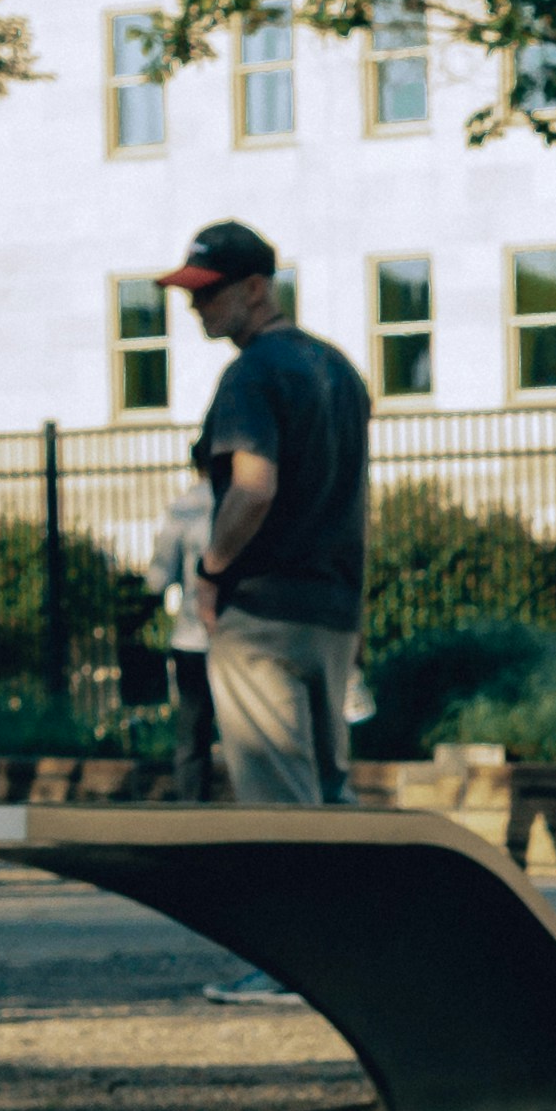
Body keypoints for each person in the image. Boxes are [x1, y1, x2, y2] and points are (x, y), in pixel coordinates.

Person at [173, 220, 370, 806]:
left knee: (280, 803)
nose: (195, 306)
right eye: (191, 294)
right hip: (330, 614)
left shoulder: (251, 373)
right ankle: (351, 899)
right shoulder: (340, 371)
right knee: (331, 794)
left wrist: (210, 573)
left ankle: (303, 900)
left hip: (261, 613)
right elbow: (356, 502)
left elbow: (253, 488)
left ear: (256, 288)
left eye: (209, 291)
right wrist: (356, 612)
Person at [141, 456, 218, 796]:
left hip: (193, 636)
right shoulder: (254, 501)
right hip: (241, 636)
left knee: (192, 731)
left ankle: (193, 810)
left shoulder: (185, 509)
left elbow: (159, 576)